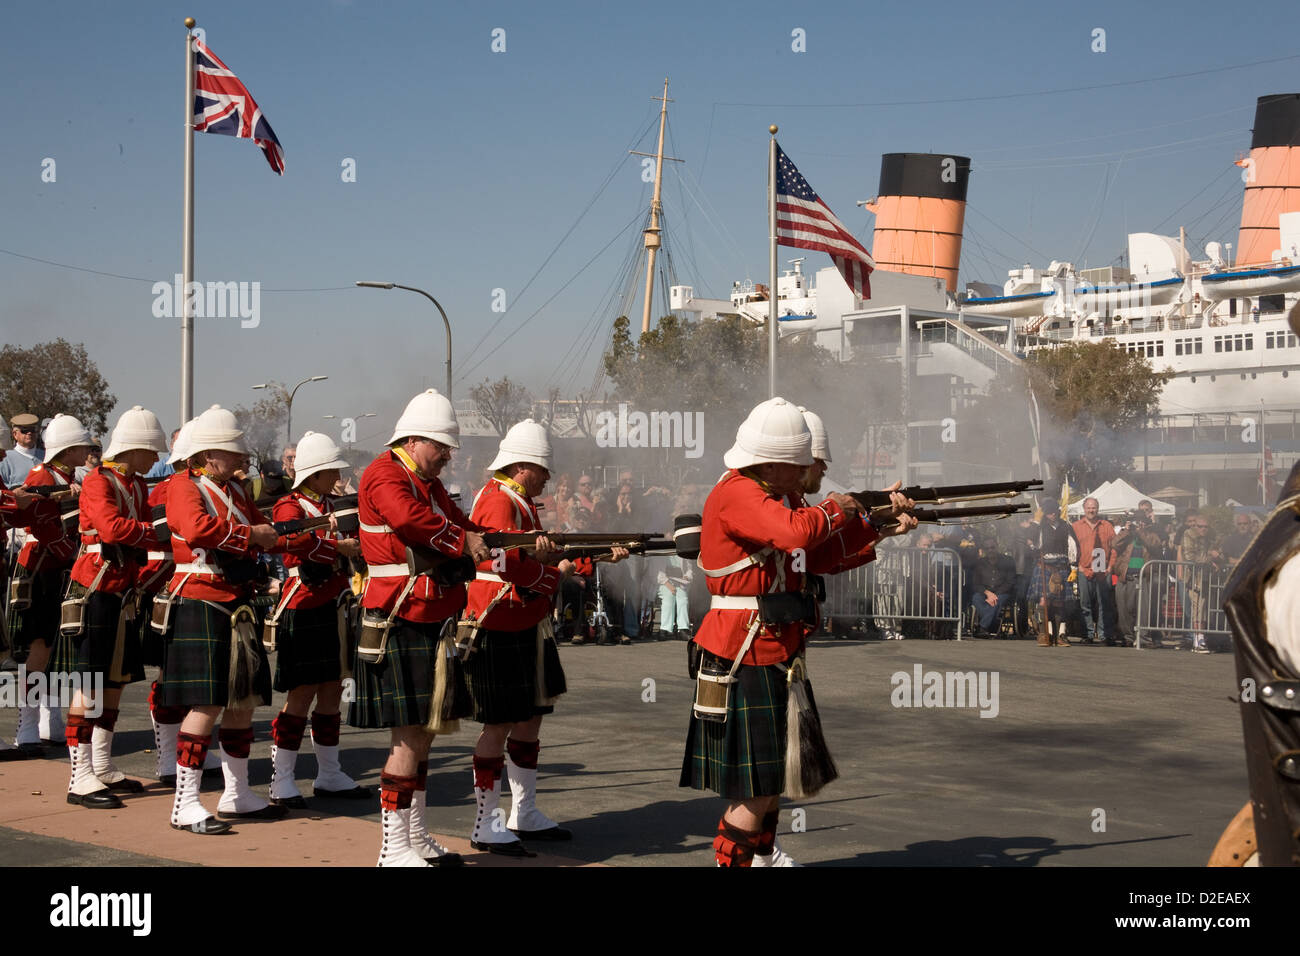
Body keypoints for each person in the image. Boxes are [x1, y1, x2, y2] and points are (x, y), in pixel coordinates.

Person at [680, 397, 915, 867]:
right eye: (799, 462)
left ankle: (761, 860)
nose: (808, 469)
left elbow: (815, 557)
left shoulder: (778, 496)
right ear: (773, 461)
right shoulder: (738, 492)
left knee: (769, 780)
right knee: (755, 787)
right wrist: (837, 509)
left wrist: (877, 527)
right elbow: (796, 535)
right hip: (745, 648)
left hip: (773, 647)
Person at [462, 420, 619, 855]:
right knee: (499, 723)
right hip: (501, 620)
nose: (549, 477)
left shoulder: (515, 499)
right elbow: (502, 564)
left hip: (524, 621)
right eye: (543, 468)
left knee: (530, 718)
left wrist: (595, 556)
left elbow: (535, 555)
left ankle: (523, 812)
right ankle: (486, 822)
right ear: (522, 466)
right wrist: (553, 577)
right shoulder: (498, 500)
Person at [159, 405, 317, 834]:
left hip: (235, 601)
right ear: (208, 454)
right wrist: (253, 536)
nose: (243, 459)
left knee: (241, 703)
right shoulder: (181, 486)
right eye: (234, 453)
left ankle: (237, 793)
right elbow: (195, 529)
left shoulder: (238, 490)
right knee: (206, 703)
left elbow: (265, 527)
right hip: (200, 599)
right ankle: (186, 801)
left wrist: (312, 532)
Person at [350, 389, 491, 866]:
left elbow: (460, 522)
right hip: (400, 616)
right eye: (441, 446)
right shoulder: (384, 473)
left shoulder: (422, 480)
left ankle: (413, 836)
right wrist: (464, 539)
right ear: (414, 440)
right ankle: (393, 850)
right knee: (409, 735)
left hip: (427, 618)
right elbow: (410, 520)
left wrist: (510, 543)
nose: (448, 457)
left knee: (423, 735)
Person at [56, 406, 168, 808]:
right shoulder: (98, 482)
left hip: (123, 592)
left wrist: (152, 536)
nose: (156, 458)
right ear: (133, 449)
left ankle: (101, 764)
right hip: (96, 589)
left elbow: (137, 534)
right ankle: (79, 776)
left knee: (115, 682)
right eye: (151, 450)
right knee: (89, 685)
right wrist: (155, 533)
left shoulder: (135, 485)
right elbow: (112, 529)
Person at [266, 431, 372, 813]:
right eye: (330, 470)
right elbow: (290, 546)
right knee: (301, 695)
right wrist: (335, 547)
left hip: (333, 606)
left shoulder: (332, 503)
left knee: (332, 691)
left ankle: (329, 774)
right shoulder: (289, 506)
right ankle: (281, 780)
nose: (336, 475)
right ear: (314, 474)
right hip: (305, 605)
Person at [8, 414, 91, 751]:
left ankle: (49, 715)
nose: (86, 449)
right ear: (67, 448)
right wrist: (72, 556)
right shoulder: (43, 474)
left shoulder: (68, 475)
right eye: (80, 445)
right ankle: (26, 723)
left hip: (57, 566)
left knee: (55, 646)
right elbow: (42, 524)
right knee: (37, 647)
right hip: (41, 566)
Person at [0, 414, 65, 762]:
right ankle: (28, 725)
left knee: (41, 646)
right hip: (25, 554)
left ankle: (37, 722)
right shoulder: (18, 464)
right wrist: (14, 501)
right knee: (33, 645)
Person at [1028, 501, 1077, 647]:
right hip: (1045, 566)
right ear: (1045, 513)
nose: (1052, 513)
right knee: (1044, 601)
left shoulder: (1066, 526)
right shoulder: (1040, 526)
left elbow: (1073, 546)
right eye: (1049, 511)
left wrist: (1074, 568)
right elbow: (1032, 543)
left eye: (1054, 510)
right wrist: (1036, 522)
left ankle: (1061, 635)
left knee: (1060, 603)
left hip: (1062, 567)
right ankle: (1046, 634)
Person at [1071, 497, 1117, 645]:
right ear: (1084, 509)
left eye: (1094, 507)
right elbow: (1072, 549)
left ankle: (1104, 635)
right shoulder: (1076, 526)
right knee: (1085, 604)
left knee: (1104, 604)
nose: (1091, 510)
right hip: (1083, 569)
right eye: (1089, 508)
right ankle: (1088, 634)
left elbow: (1115, 548)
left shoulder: (1107, 526)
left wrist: (1110, 567)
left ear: (1098, 508)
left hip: (1103, 570)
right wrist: (1079, 567)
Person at [0, 413, 43, 487]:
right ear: (15, 434)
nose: (29, 433)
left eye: (33, 430)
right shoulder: (4, 458)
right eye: (24, 430)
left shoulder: (46, 455)